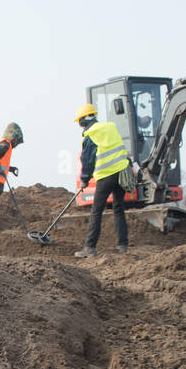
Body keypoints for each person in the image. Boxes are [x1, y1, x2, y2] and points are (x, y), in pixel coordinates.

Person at [72, 103, 131, 257]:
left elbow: (88, 160)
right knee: (119, 208)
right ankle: (123, 245)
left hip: (106, 175)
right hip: (122, 171)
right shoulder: (110, 127)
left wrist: (85, 178)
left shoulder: (90, 135)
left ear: (83, 121)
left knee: (96, 211)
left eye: (80, 122)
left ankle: (89, 248)